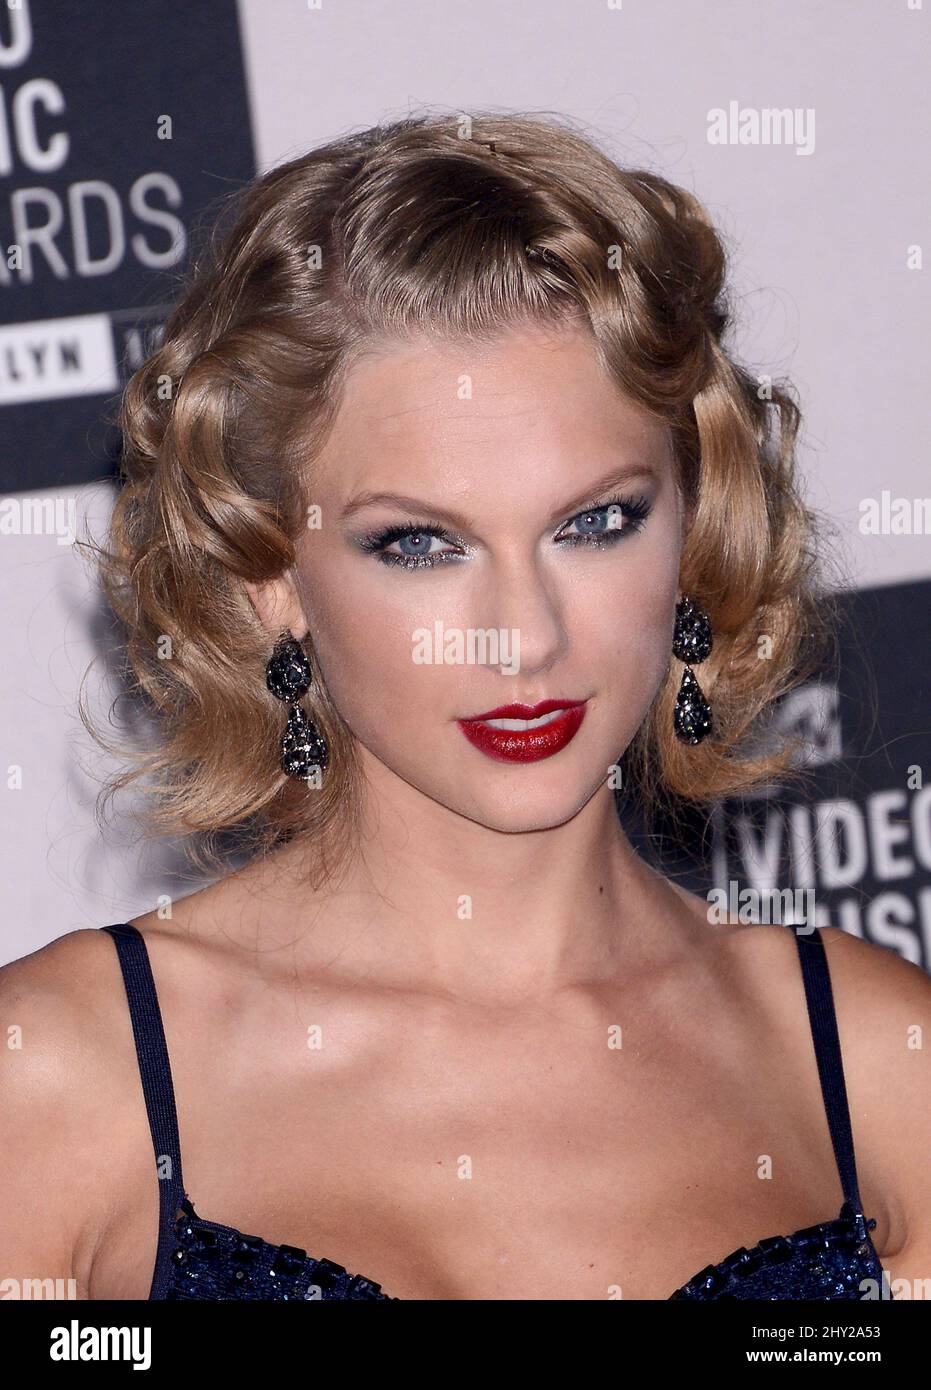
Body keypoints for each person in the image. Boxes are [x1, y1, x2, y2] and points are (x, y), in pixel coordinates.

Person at [2, 112, 928, 1302]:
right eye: (420, 542)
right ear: (270, 573)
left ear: (694, 522)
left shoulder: (867, 1068)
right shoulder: (69, 1077)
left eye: (594, 524)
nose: (525, 634)